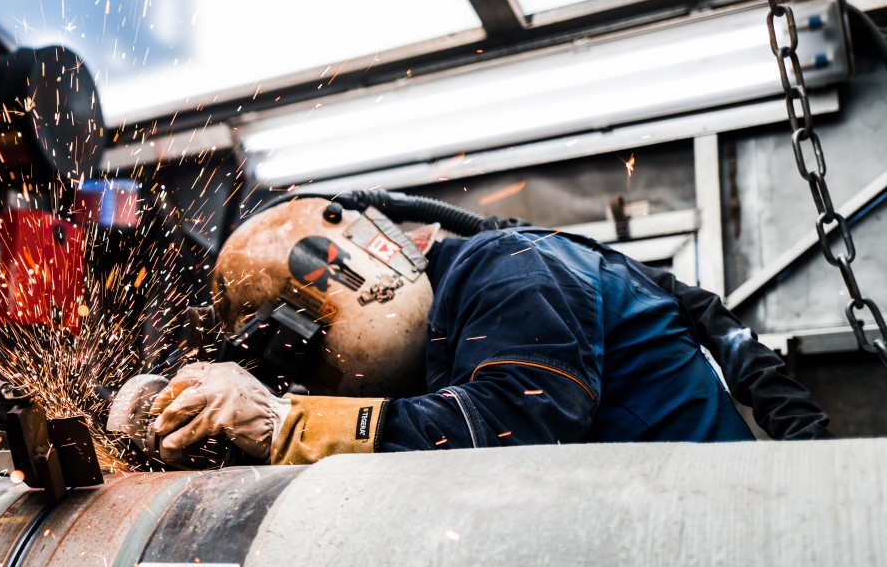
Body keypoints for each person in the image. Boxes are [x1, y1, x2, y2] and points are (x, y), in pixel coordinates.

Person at [149, 195, 830, 466]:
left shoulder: (508, 269)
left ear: (360, 255)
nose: (322, 376)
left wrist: (285, 423)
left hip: (708, 530)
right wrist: (167, 415)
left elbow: (516, 422)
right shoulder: (433, 339)